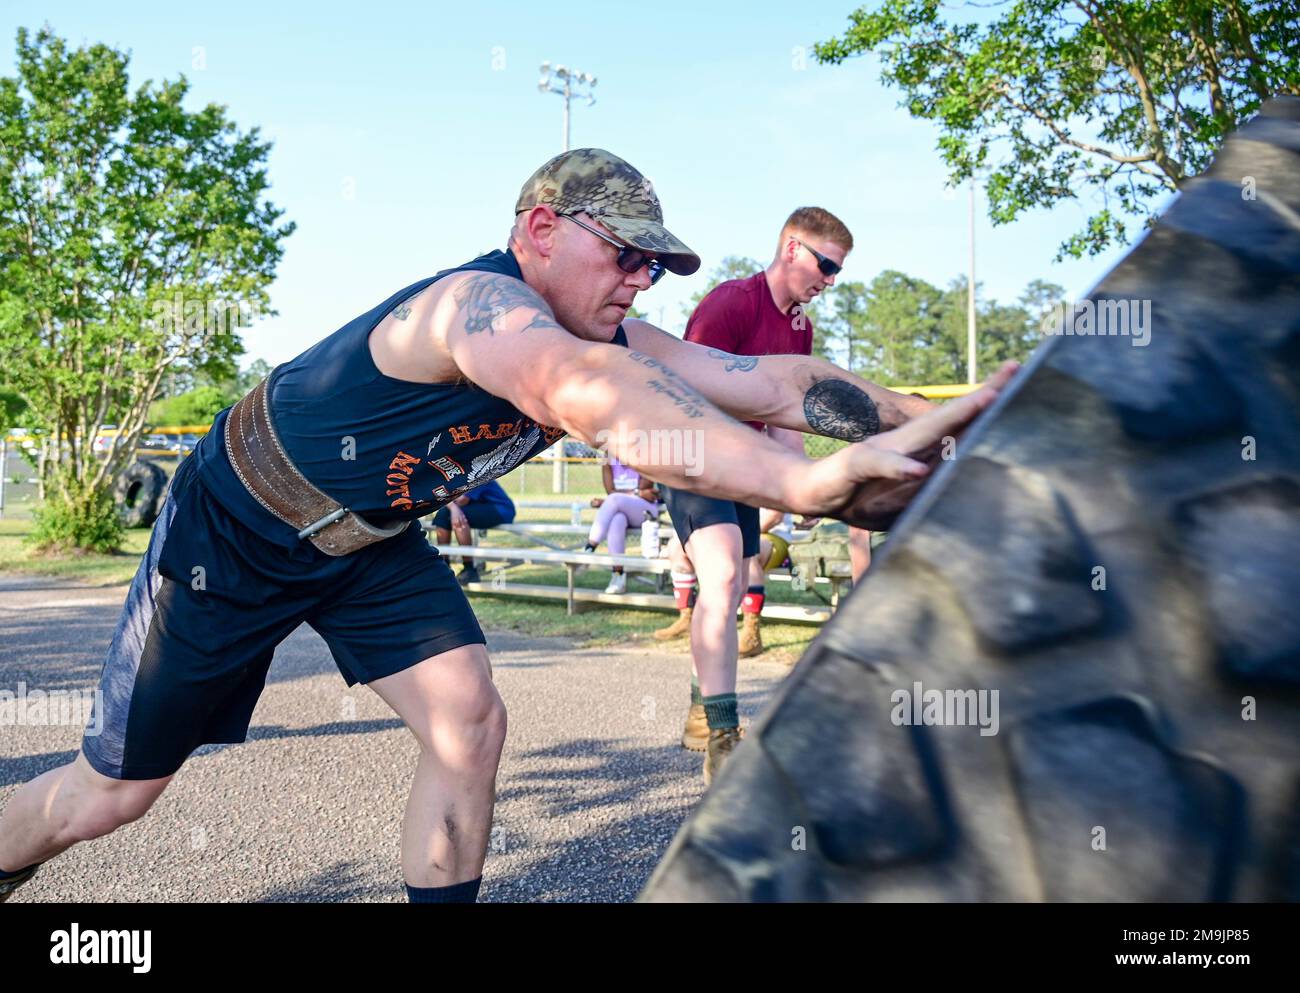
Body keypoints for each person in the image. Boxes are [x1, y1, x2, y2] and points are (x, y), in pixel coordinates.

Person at [0, 147, 1014, 903]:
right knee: (110, 799)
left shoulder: (600, 325)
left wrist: (963, 425)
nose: (639, 282)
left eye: (653, 269)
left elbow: (773, 382)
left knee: (469, 719)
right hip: (235, 525)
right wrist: (798, 488)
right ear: (538, 228)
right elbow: (589, 392)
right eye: (622, 256)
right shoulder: (474, 307)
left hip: (365, 543)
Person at [659, 207, 904, 776]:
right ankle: (723, 731)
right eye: (826, 264)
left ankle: (702, 706)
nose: (830, 280)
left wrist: (804, 491)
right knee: (720, 575)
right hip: (692, 452)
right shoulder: (732, 303)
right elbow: (679, 390)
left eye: (838, 271)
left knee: (737, 576)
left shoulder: (799, 327)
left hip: (743, 464)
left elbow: (783, 422)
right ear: (792, 248)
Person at [581, 457, 660, 594]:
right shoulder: (607, 460)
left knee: (613, 500)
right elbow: (610, 490)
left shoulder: (644, 457)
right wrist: (634, 493)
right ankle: (618, 576)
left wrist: (611, 500)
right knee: (617, 520)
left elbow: (644, 491)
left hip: (646, 511)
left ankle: (590, 547)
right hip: (620, 508)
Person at [431, 479, 516, 586]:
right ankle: (444, 567)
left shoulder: (478, 471)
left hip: (500, 509)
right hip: (481, 507)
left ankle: (470, 570)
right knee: (443, 515)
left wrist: (450, 506)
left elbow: (462, 500)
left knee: (456, 516)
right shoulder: (453, 475)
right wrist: (452, 507)